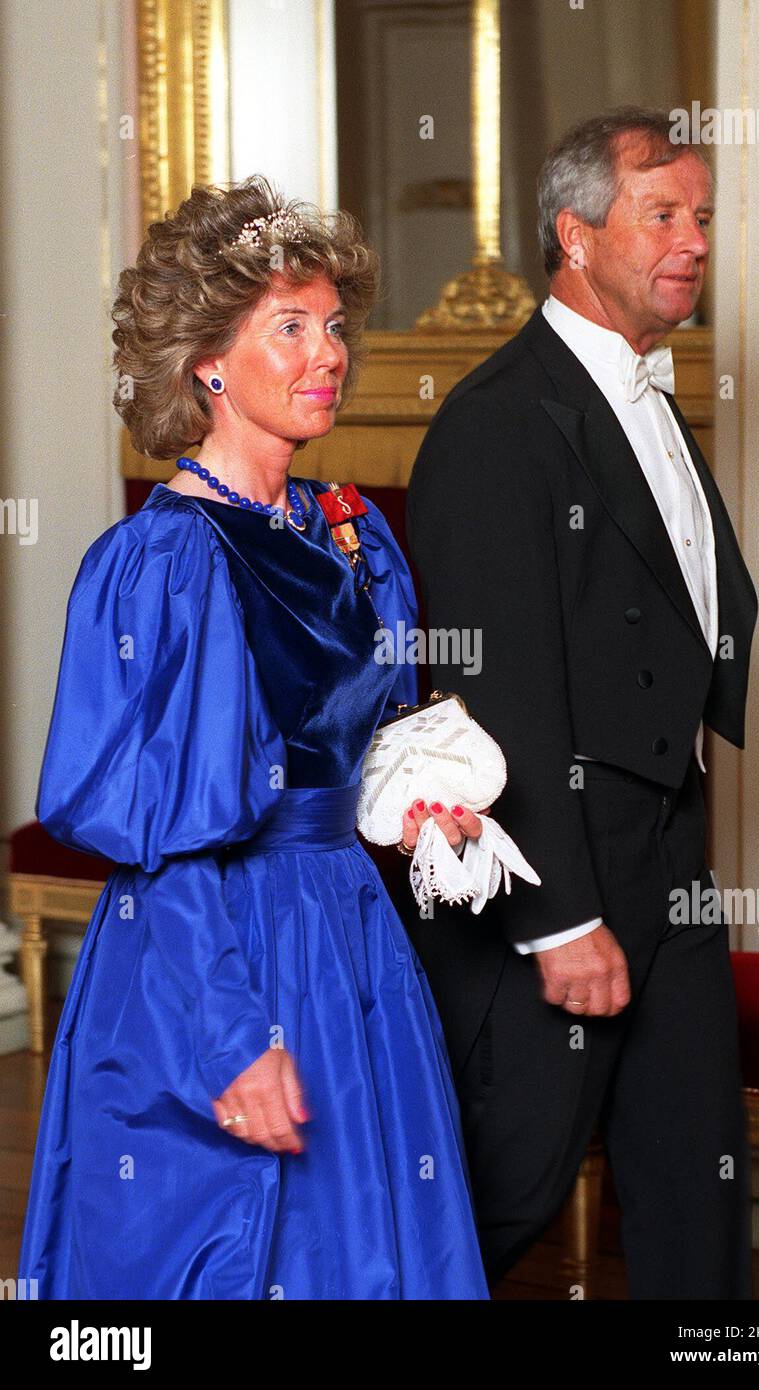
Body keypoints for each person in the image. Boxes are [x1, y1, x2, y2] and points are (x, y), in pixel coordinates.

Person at [17, 176, 489, 1300]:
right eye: (291, 327)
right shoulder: (166, 561)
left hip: (350, 938)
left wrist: (425, 804)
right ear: (207, 362)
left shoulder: (350, 528)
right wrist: (229, 1035)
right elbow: (166, 844)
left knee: (370, 1239)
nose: (328, 352)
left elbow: (357, 743)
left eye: (334, 327)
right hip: (207, 949)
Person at [404, 107, 759, 1298]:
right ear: (576, 234)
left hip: (673, 863)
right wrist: (559, 921)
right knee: (502, 1188)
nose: (695, 239)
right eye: (663, 213)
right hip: (560, 884)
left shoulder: (647, 400)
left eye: (702, 216)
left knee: (697, 1188)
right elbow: (501, 688)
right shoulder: (500, 422)